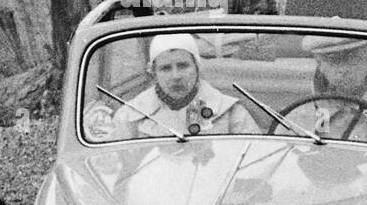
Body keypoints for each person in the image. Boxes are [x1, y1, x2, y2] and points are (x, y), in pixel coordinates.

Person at [110, 34, 261, 139]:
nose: (176, 76)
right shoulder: (130, 116)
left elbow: (258, 163)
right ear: (153, 72)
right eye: (165, 68)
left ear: (197, 67)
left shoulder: (228, 112)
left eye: (183, 66)